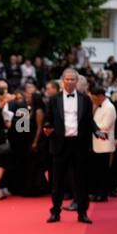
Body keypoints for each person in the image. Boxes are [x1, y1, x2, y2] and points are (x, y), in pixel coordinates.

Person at [43, 67, 93, 223]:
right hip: (60, 144)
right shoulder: (53, 99)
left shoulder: (85, 99)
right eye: (67, 79)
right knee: (57, 182)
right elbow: (48, 118)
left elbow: (89, 121)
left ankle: (82, 213)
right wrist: (47, 127)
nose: (70, 81)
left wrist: (97, 132)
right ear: (62, 81)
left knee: (81, 181)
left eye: (73, 79)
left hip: (79, 144)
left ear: (77, 81)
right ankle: (55, 212)